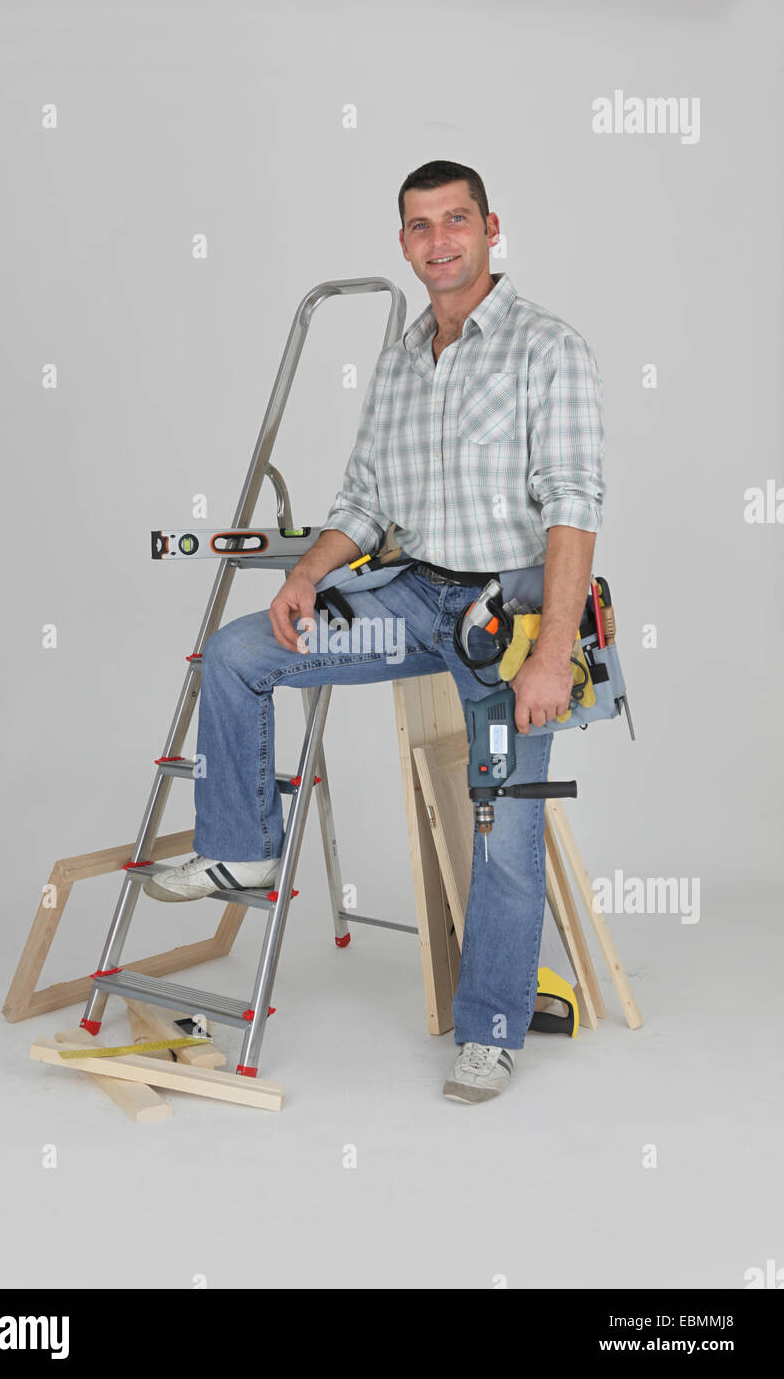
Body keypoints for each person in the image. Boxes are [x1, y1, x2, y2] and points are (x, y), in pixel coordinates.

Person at [144, 159, 605, 1104]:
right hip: (410, 603)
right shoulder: (399, 362)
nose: (440, 241)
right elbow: (361, 501)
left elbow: (573, 509)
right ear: (403, 242)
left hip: (503, 626)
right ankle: (243, 845)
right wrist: (307, 576)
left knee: (503, 828)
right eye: (420, 226)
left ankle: (490, 1031)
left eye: (457, 220)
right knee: (238, 653)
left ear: (490, 229)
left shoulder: (547, 348)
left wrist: (554, 653)